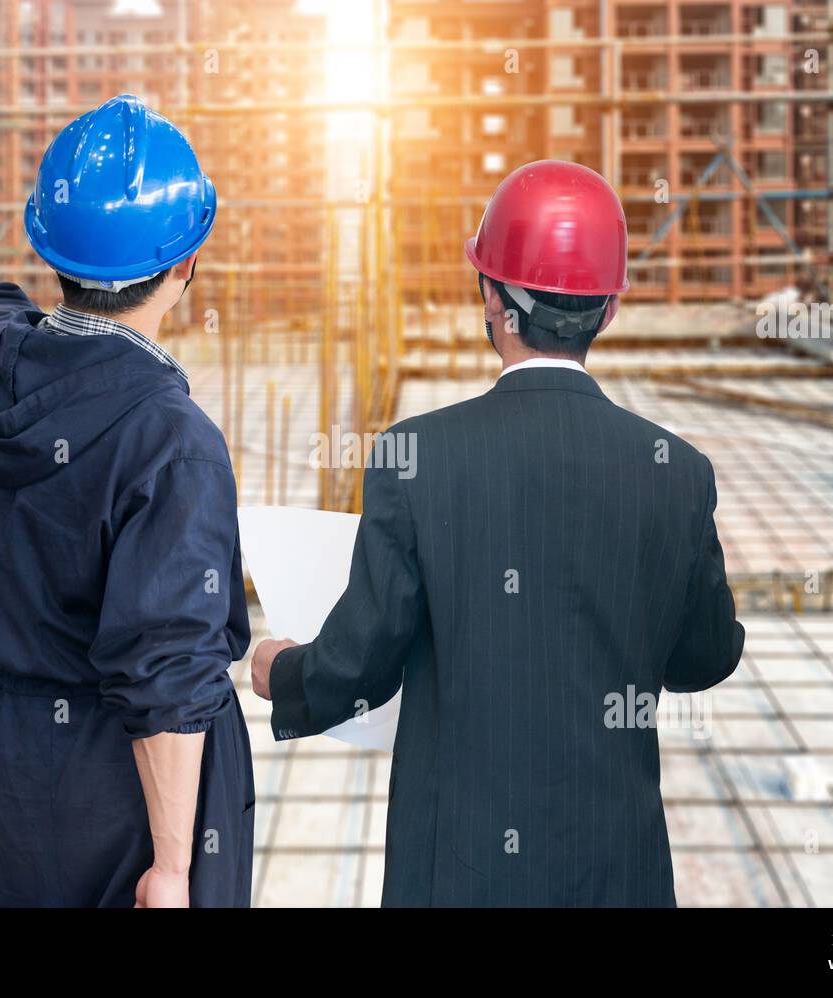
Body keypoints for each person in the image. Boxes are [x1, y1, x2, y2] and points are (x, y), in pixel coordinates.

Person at [251, 160, 745, 907]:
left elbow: (362, 666)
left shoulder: (417, 460)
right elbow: (707, 655)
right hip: (617, 875)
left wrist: (283, 671)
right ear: (609, 310)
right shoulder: (677, 473)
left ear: (490, 297)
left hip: (459, 874)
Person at [0, 95, 253, 908]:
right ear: (186, 265)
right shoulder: (173, 440)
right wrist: (173, 868)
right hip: (125, 790)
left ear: (50, 251)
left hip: (25, 776)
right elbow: (166, 670)